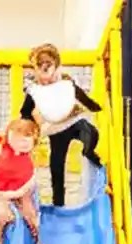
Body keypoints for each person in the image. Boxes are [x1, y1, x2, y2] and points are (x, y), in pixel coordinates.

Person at [19, 43, 102, 207]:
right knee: (57, 164)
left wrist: (97, 107)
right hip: (55, 130)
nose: (45, 75)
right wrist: (30, 130)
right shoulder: (34, 91)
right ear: (35, 70)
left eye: (48, 67)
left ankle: (89, 152)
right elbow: (25, 113)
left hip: (74, 122)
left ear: (56, 67)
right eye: (40, 68)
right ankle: (59, 203)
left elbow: (83, 98)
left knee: (89, 132)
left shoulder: (66, 83)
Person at [0, 118, 44, 244]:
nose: (23, 144)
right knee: (2, 217)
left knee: (30, 214)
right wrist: (9, 196)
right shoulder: (3, 157)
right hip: (4, 192)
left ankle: (37, 238)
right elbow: (0, 184)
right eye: (18, 139)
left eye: (27, 141)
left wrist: (21, 193)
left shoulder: (28, 159)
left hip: (22, 191)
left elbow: (30, 181)